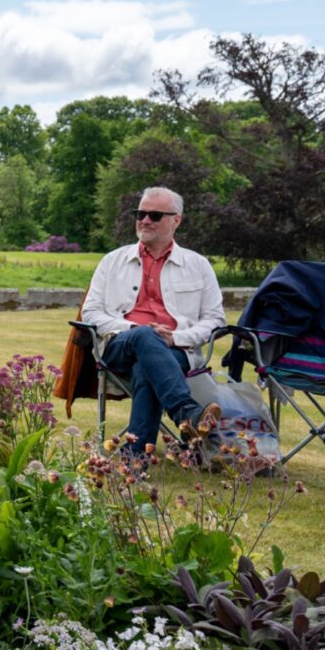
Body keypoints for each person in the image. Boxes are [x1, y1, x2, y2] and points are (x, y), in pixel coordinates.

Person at [80, 186, 224, 455]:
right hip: (119, 345)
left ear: (176, 220)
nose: (145, 220)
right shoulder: (112, 261)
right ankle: (187, 412)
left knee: (145, 368)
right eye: (141, 213)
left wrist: (176, 338)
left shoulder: (198, 265)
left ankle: (135, 458)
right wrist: (134, 328)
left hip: (177, 350)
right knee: (146, 337)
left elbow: (215, 320)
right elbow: (91, 313)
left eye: (155, 215)